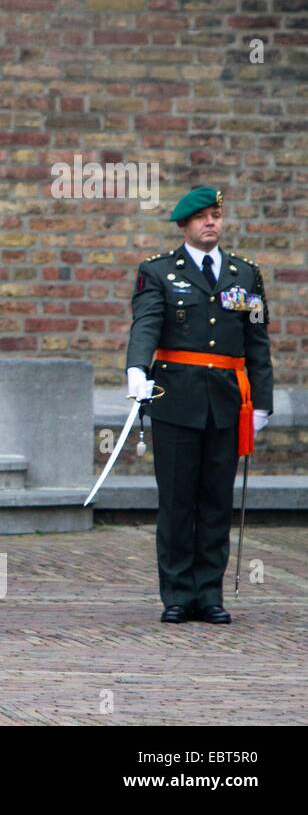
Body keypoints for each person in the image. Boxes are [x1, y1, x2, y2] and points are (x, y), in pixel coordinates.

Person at [125, 186, 273, 625]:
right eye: (202, 217)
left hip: (227, 401)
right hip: (175, 400)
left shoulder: (245, 274)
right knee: (177, 501)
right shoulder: (158, 272)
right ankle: (176, 593)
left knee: (215, 501)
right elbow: (147, 324)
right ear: (184, 225)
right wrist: (137, 370)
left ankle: (209, 593)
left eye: (216, 216)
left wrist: (262, 401)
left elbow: (257, 341)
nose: (211, 223)